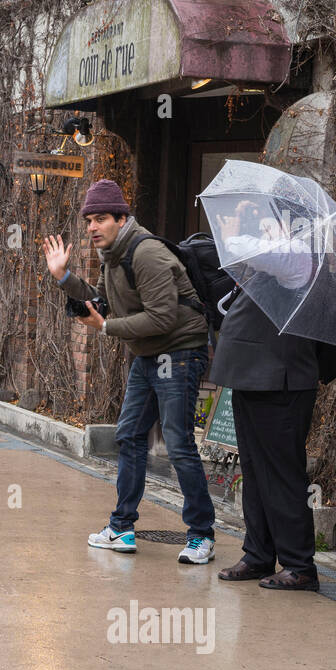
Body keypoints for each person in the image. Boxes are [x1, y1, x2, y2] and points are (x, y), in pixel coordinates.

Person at [42, 178, 215, 564]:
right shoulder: (114, 257)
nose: (91, 227)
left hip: (180, 353)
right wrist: (64, 279)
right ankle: (121, 528)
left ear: (121, 219)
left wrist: (105, 328)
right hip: (147, 354)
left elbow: (162, 317)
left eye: (100, 218)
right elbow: (100, 302)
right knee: (131, 436)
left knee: (178, 442)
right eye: (88, 220)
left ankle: (202, 534)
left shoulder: (147, 253)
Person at [210, 200, 328, 591]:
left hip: (282, 382)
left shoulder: (294, 254)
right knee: (256, 473)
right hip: (255, 380)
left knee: (282, 474)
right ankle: (259, 554)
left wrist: (234, 224)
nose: (264, 222)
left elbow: (242, 247)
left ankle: (299, 565)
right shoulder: (273, 256)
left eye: (272, 216)